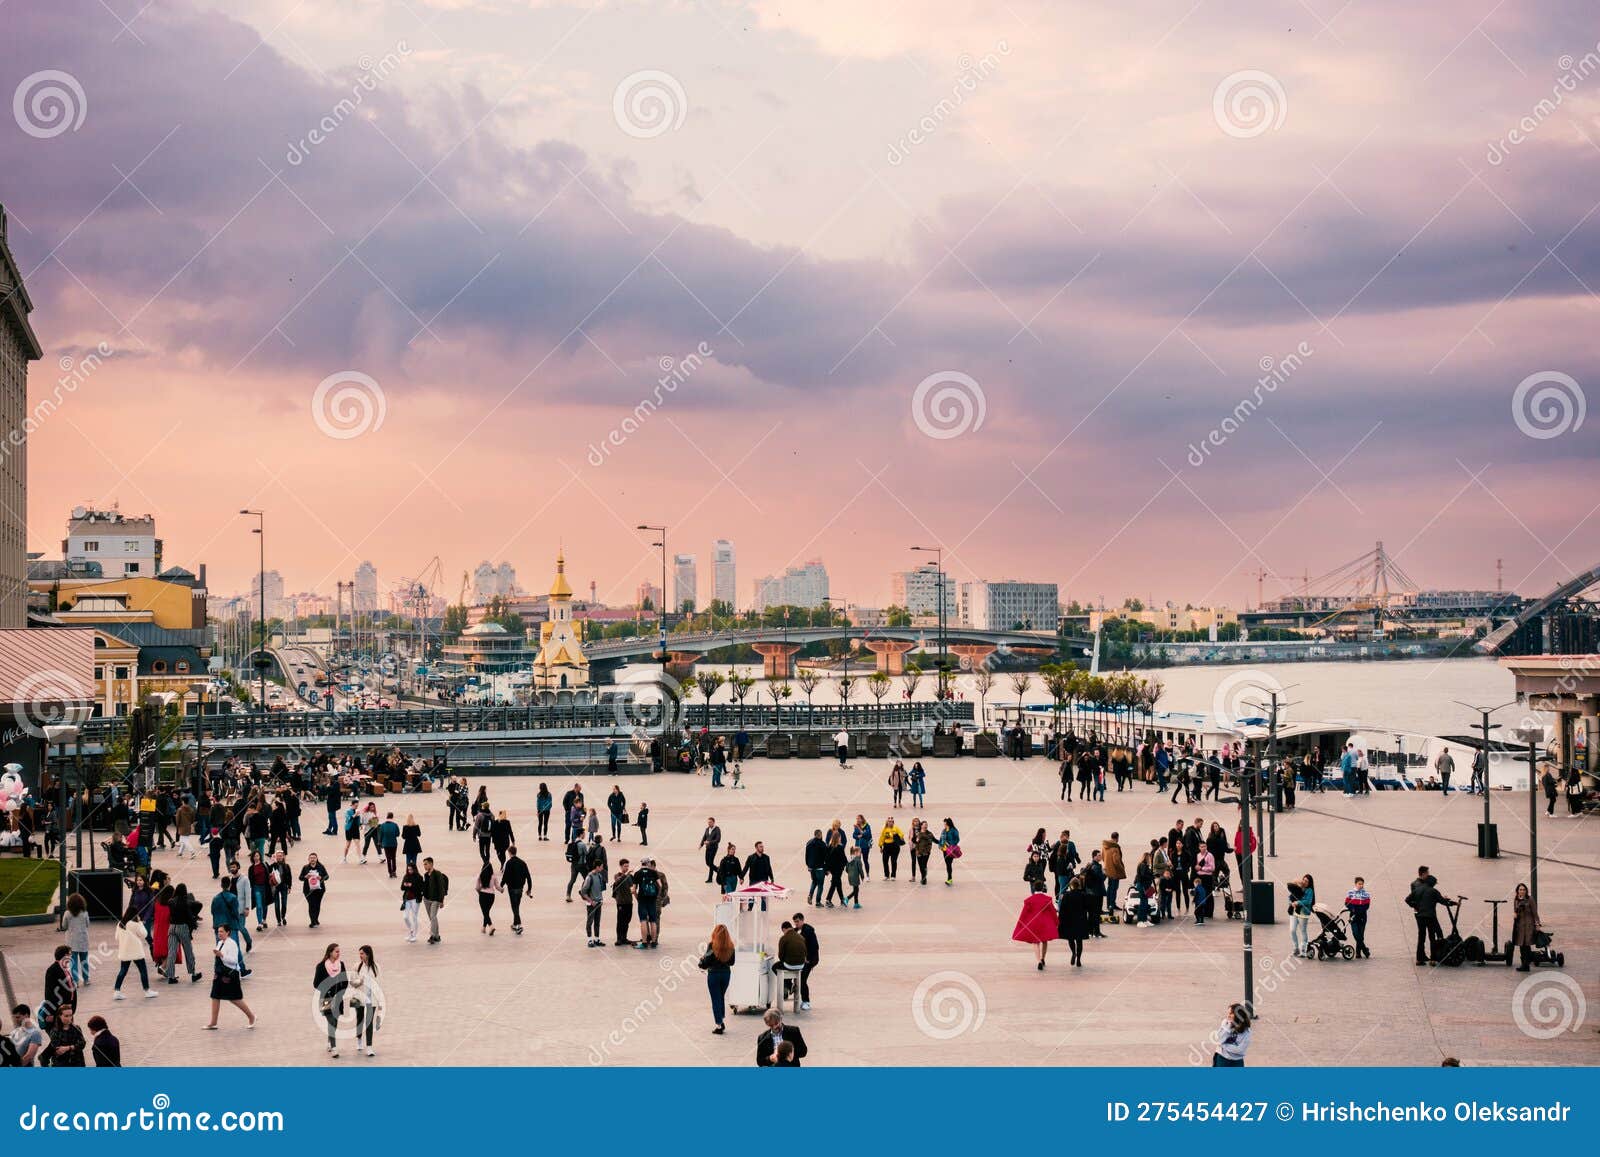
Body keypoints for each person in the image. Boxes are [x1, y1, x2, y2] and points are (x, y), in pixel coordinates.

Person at [204, 922, 255, 1029]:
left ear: (228, 932)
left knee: (235, 999)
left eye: (222, 931)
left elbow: (234, 961)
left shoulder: (231, 944)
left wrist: (222, 955)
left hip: (231, 975)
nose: (219, 933)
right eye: (218, 931)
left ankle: (251, 1016)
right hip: (220, 974)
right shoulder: (220, 943)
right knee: (215, 996)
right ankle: (213, 1022)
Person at [1406, 866, 1455, 966]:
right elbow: (1442, 901)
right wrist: (1453, 903)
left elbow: (1407, 899)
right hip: (1430, 916)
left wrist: (1416, 906)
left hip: (1419, 916)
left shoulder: (1417, 888)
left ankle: (1419, 959)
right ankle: (1433, 959)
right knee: (1432, 937)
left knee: (1421, 937)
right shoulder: (1433, 891)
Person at [112, 909, 158, 1000]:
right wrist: (140, 922)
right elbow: (144, 934)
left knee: (123, 971)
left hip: (125, 951)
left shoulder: (120, 924)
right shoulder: (136, 924)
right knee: (143, 971)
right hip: (136, 952)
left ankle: (117, 991)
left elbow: (117, 937)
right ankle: (147, 990)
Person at [1013, 881, 1059, 970]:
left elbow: (1024, 914)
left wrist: (1020, 924)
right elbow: (1053, 912)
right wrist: (1056, 922)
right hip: (1045, 923)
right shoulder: (1048, 899)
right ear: (1042, 888)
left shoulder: (1029, 900)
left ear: (1034, 888)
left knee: (1036, 942)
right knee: (1045, 941)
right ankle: (1043, 958)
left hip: (1034, 924)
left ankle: (1038, 960)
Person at [701, 923, 736, 1033]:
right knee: (720, 996)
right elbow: (732, 962)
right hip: (726, 974)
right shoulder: (731, 946)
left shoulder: (712, 945)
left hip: (714, 974)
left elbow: (706, 962)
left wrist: (702, 961)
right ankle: (721, 1018)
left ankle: (719, 1024)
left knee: (716, 999)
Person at [313, 943, 347, 1056]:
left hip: (338, 998)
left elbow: (345, 981)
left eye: (339, 951)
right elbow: (316, 983)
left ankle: (329, 1041)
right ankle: (334, 1048)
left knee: (335, 1022)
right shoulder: (321, 966)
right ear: (330, 952)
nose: (338, 953)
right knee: (331, 1021)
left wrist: (341, 993)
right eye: (336, 951)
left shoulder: (341, 964)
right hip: (326, 998)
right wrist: (327, 989)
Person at [350, 945, 382, 1056]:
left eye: (362, 953)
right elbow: (352, 982)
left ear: (368, 954)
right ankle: (359, 1040)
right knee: (360, 1020)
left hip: (371, 999)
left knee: (369, 1023)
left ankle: (369, 1047)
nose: (360, 956)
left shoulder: (376, 967)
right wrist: (360, 981)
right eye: (359, 953)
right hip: (360, 998)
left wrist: (379, 1000)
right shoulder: (356, 966)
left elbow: (378, 984)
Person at [1057, 875, 1093, 967]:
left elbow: (1062, 910)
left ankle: (1073, 952)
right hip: (1081, 920)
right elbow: (1089, 907)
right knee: (1079, 941)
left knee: (1071, 939)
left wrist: (1060, 921)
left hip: (1069, 921)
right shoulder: (1084, 895)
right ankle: (1079, 960)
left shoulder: (1066, 896)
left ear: (1071, 885)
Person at [632, 857, 663, 949]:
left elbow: (633, 890)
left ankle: (644, 943)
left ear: (642, 863)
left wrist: (637, 897)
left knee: (643, 921)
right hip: (652, 899)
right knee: (653, 921)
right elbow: (660, 885)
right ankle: (654, 942)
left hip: (642, 899)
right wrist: (656, 895)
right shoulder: (654, 872)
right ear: (648, 863)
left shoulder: (637, 873)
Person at [1511, 882, 1541, 971]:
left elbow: (1535, 913)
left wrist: (1537, 924)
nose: (1522, 891)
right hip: (1519, 926)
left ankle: (1526, 964)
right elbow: (1515, 911)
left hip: (1529, 926)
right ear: (1517, 891)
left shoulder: (1530, 899)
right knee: (1521, 945)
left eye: (1524, 890)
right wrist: (1515, 914)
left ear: (1526, 891)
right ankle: (1524, 964)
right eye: (1520, 890)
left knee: (1526, 945)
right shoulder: (1516, 900)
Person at [501, 845, 531, 935]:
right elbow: (528, 877)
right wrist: (529, 889)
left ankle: (518, 925)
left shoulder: (508, 863)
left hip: (512, 888)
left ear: (509, 853)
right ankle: (515, 924)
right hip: (520, 888)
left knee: (514, 907)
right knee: (516, 906)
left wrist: (501, 886)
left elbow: (505, 876)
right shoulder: (522, 863)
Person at [792, 912, 819, 1009]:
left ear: (802, 920)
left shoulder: (808, 931)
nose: (796, 924)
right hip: (801, 960)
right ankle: (795, 990)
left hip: (810, 960)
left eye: (798, 922)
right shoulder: (796, 930)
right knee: (799, 979)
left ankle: (806, 1001)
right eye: (795, 922)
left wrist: (808, 959)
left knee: (802, 979)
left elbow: (814, 947)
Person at [64, 893, 91, 986]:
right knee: (84, 961)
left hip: (71, 941)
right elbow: (88, 925)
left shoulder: (67, 914)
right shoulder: (85, 913)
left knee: (73, 962)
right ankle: (86, 979)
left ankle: (75, 981)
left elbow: (64, 926)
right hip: (83, 940)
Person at [422, 857, 449, 944]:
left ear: (431, 864)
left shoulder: (437, 874)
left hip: (435, 900)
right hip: (426, 899)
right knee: (432, 918)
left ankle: (432, 936)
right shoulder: (426, 875)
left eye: (426, 864)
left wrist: (441, 901)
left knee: (433, 916)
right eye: (424, 864)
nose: (424, 866)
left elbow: (441, 888)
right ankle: (437, 936)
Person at [299, 853, 330, 928]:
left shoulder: (321, 867)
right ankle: (312, 921)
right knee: (311, 905)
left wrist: (321, 878)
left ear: (316, 859)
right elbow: (300, 878)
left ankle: (316, 919)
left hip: (319, 890)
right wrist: (305, 877)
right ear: (308, 859)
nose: (312, 859)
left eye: (314, 858)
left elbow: (327, 876)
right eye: (311, 858)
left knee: (317, 905)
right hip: (308, 890)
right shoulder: (305, 867)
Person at [580, 858, 606, 947]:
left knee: (597, 922)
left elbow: (599, 889)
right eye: (601, 867)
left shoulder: (599, 876)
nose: (602, 868)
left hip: (599, 902)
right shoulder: (589, 877)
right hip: (591, 904)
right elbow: (583, 892)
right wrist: (591, 901)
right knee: (590, 922)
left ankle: (597, 939)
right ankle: (590, 940)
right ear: (597, 867)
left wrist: (601, 899)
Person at [1344, 876, 1371, 959]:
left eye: (1362, 884)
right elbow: (1346, 903)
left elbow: (1366, 906)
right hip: (1353, 917)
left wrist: (1358, 911)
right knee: (1356, 934)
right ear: (1355, 884)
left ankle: (1358, 953)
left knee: (1361, 935)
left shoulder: (1366, 894)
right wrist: (1352, 909)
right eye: (1359, 884)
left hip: (1362, 917)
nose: (1361, 886)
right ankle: (1365, 950)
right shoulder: (1350, 893)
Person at [1290, 873, 1315, 958]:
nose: (1304, 882)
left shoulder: (1310, 890)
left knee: (1303, 931)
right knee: (1292, 930)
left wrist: (1298, 902)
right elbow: (1291, 896)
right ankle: (1296, 948)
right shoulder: (1299, 887)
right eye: (1303, 880)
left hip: (1303, 913)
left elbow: (1308, 901)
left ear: (1309, 883)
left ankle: (1303, 950)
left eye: (1306, 881)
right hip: (1295, 912)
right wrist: (1291, 902)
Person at [611, 858, 636, 946]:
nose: (627, 868)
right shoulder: (617, 875)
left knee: (627, 920)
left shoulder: (630, 876)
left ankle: (624, 938)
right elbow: (617, 882)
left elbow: (633, 887)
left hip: (629, 901)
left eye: (627, 866)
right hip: (621, 902)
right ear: (621, 866)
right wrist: (625, 874)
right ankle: (619, 939)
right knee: (620, 921)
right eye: (625, 866)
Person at [476, 859, 502, 935]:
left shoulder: (480, 875)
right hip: (491, 896)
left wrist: (479, 893)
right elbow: (497, 886)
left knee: (485, 912)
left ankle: (491, 926)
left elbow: (477, 888)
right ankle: (483, 928)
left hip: (483, 895)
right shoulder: (493, 876)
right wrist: (501, 890)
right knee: (486, 912)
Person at [1101, 832, 1125, 914]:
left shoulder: (1105, 846)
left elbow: (1103, 857)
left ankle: (1109, 905)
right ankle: (1112, 905)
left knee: (1109, 888)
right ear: (1117, 838)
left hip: (1108, 870)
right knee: (1114, 888)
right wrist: (1121, 868)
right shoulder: (1115, 848)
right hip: (1115, 871)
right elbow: (1116, 861)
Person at [268, 851, 293, 927]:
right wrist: (272, 863)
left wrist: (289, 886)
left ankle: (283, 917)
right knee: (277, 904)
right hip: (275, 886)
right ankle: (278, 920)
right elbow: (268, 873)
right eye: (277, 856)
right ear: (276, 857)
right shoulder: (273, 865)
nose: (279, 857)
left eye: (280, 856)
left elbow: (289, 877)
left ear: (283, 857)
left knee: (284, 903)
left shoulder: (286, 866)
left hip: (284, 886)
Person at [400, 863, 424, 942]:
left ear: (414, 869)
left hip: (415, 899)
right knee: (405, 917)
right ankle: (411, 931)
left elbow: (420, 888)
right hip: (407, 899)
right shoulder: (406, 876)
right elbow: (402, 887)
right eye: (408, 869)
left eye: (411, 869)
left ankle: (414, 935)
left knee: (414, 917)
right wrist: (410, 885)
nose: (409, 871)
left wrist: (410, 885)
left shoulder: (419, 877)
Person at [912, 820, 935, 885]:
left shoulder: (929, 833)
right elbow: (913, 840)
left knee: (923, 865)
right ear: (921, 826)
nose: (925, 826)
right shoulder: (918, 833)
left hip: (926, 852)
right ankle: (923, 876)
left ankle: (924, 879)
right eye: (924, 825)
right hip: (918, 851)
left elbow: (934, 840)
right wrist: (915, 840)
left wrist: (941, 842)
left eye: (926, 825)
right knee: (920, 866)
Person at [938, 817, 961, 885]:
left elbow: (957, 839)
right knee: (947, 864)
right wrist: (940, 845)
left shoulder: (954, 830)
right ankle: (949, 878)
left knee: (949, 864)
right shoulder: (944, 830)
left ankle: (949, 879)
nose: (944, 825)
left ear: (948, 823)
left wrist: (951, 845)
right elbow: (941, 838)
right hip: (944, 850)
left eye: (945, 824)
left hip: (951, 850)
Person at [700, 817, 722, 884]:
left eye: (710, 822)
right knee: (708, 863)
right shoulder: (707, 829)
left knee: (711, 862)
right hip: (708, 848)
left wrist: (709, 842)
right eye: (708, 822)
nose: (709, 823)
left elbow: (718, 840)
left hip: (714, 848)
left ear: (713, 822)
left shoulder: (717, 829)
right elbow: (704, 837)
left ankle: (710, 878)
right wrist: (701, 845)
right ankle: (719, 870)